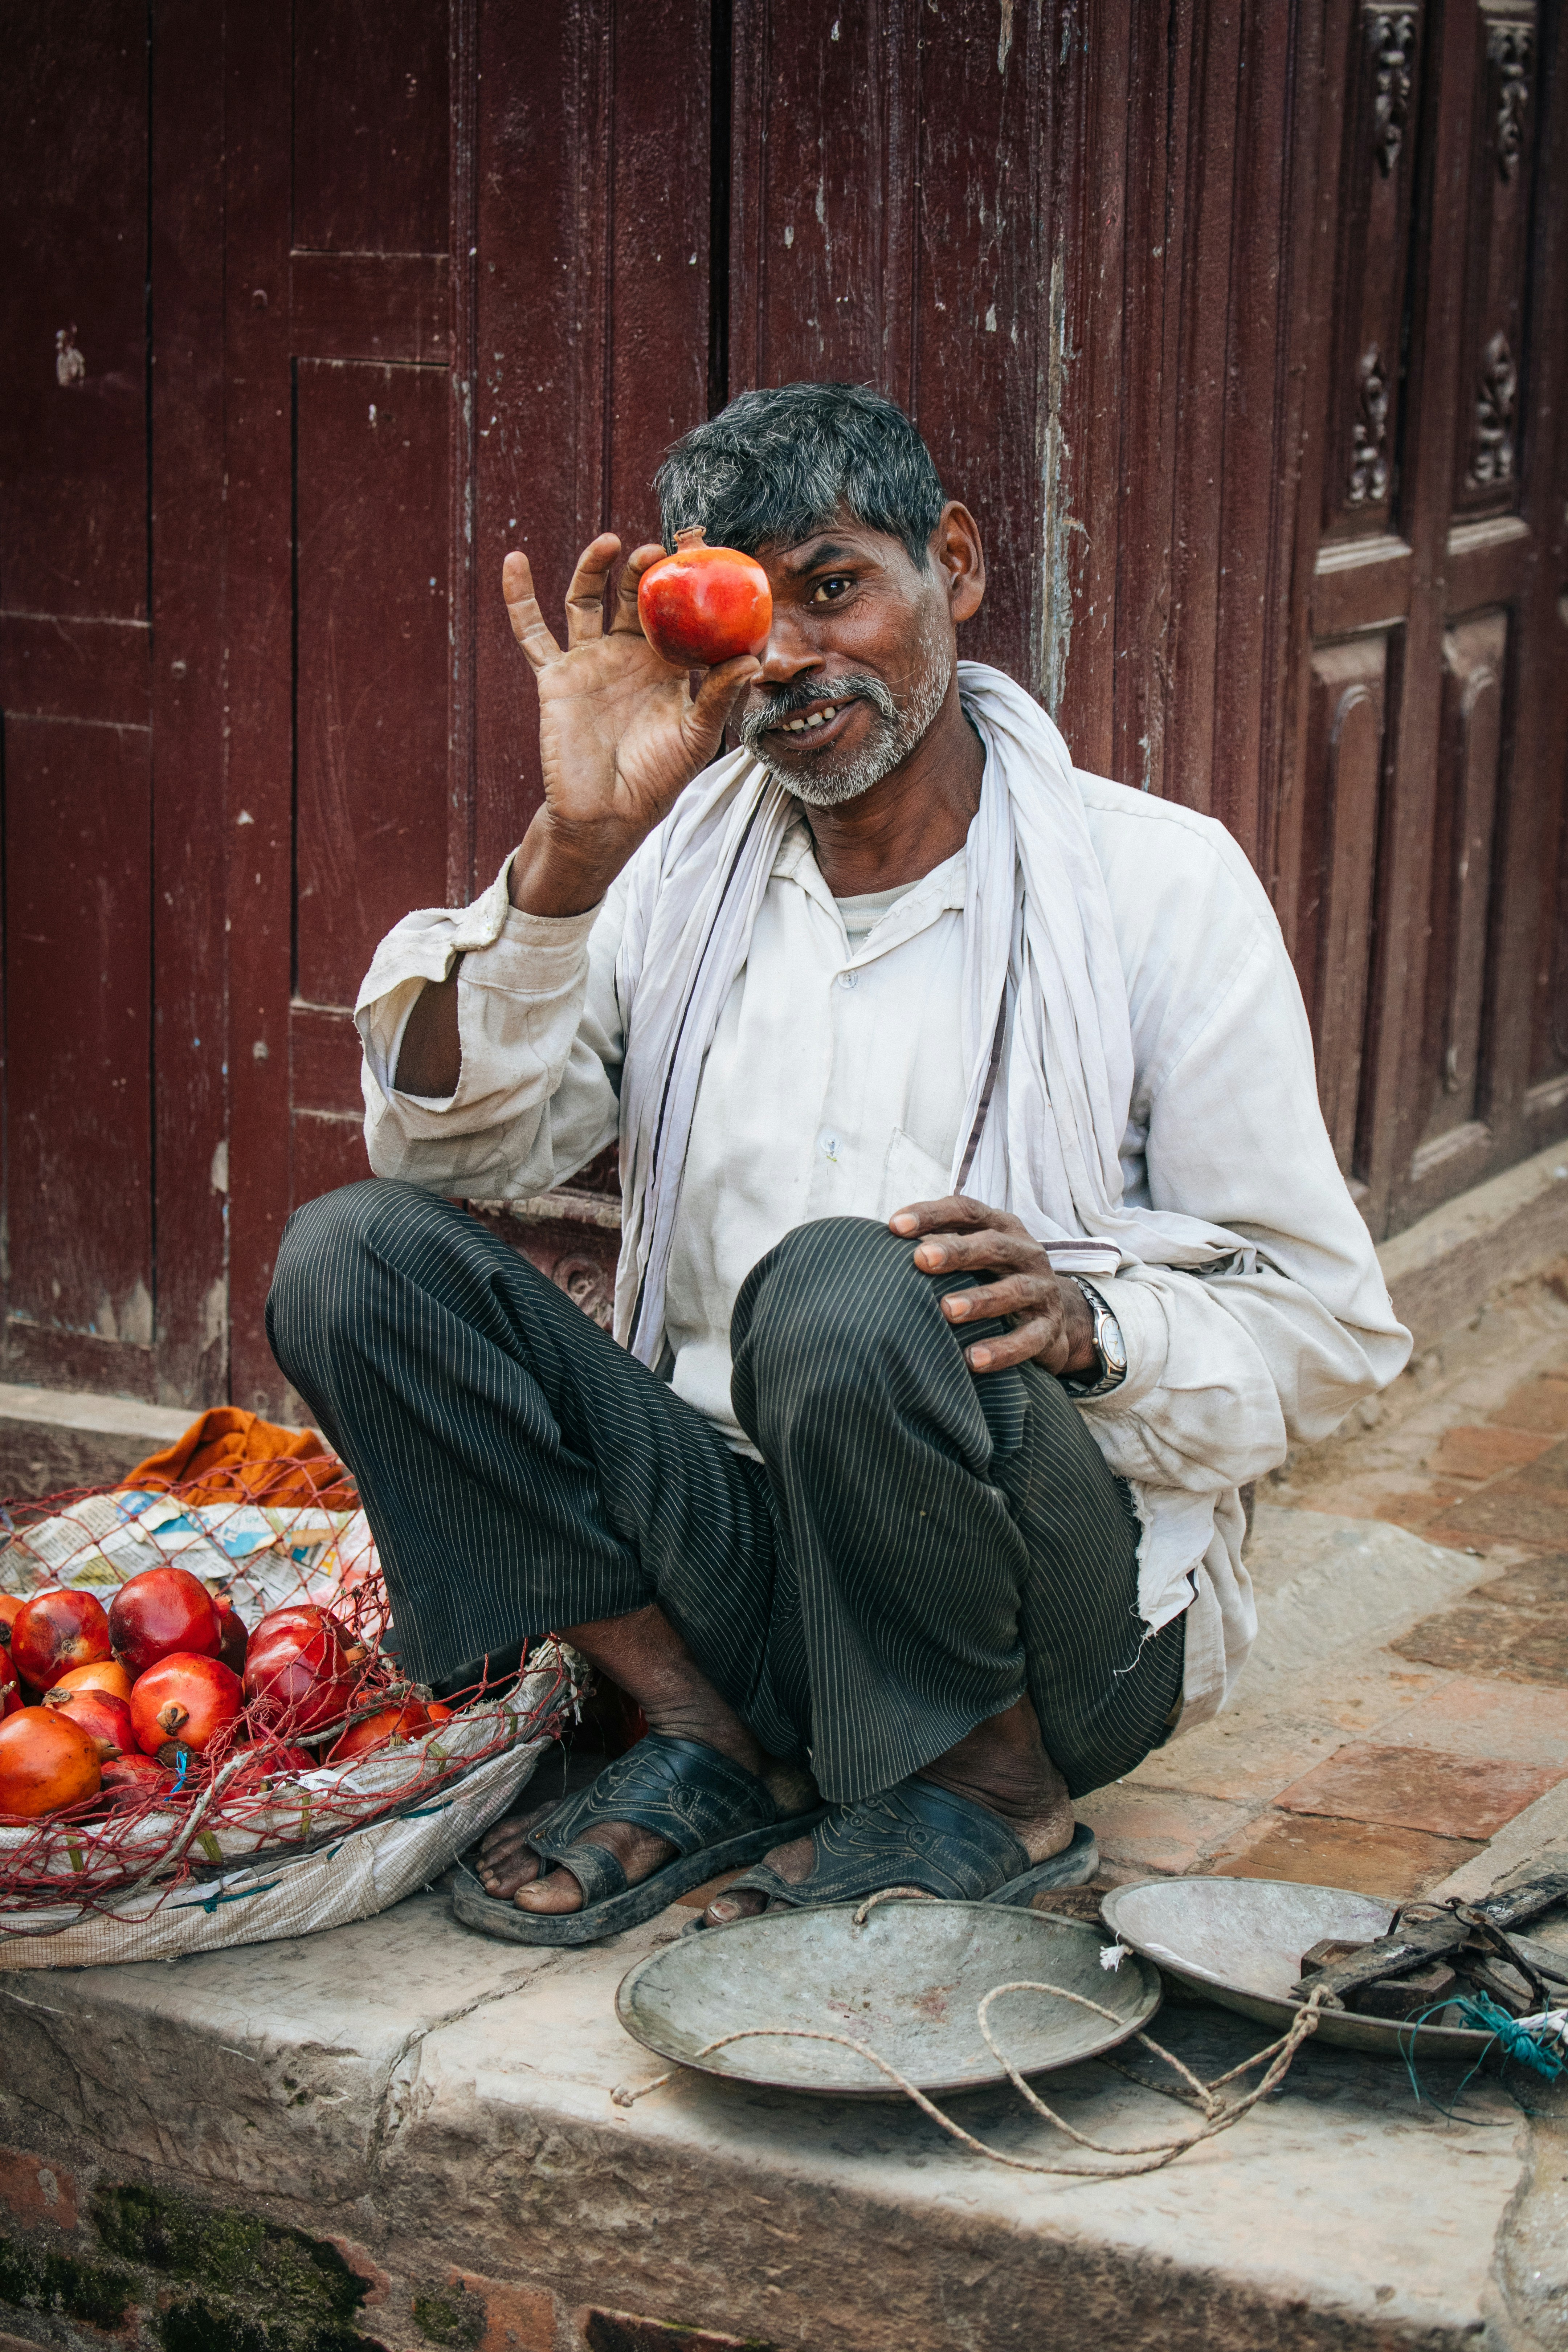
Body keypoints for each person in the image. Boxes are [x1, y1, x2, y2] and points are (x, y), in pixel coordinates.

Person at [268, 382, 1410, 1947]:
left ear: (956, 563)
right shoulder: (673, 862)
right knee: (356, 1261)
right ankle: (699, 1737)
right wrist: (572, 854)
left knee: (849, 1285)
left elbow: (1334, 1334)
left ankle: (985, 1792)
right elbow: (456, 1141)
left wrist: (1097, 1329)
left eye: (834, 588)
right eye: (740, 621)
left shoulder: (1158, 884)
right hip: (732, 1571)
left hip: (1039, 1620)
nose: (791, 662)